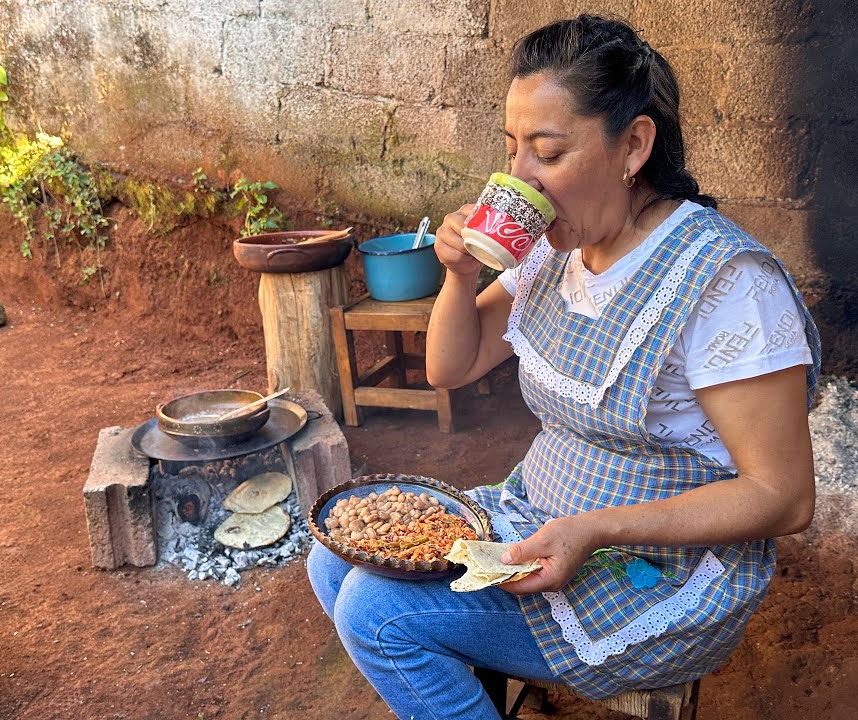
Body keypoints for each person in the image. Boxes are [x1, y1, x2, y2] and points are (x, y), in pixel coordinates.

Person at [308, 14, 821, 719]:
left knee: (378, 614)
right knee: (333, 555)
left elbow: (785, 497)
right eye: (512, 148)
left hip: (656, 570)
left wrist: (598, 529)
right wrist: (458, 275)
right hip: (539, 518)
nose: (518, 179)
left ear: (634, 145)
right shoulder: (553, 247)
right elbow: (449, 368)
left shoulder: (724, 281)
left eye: (547, 152)